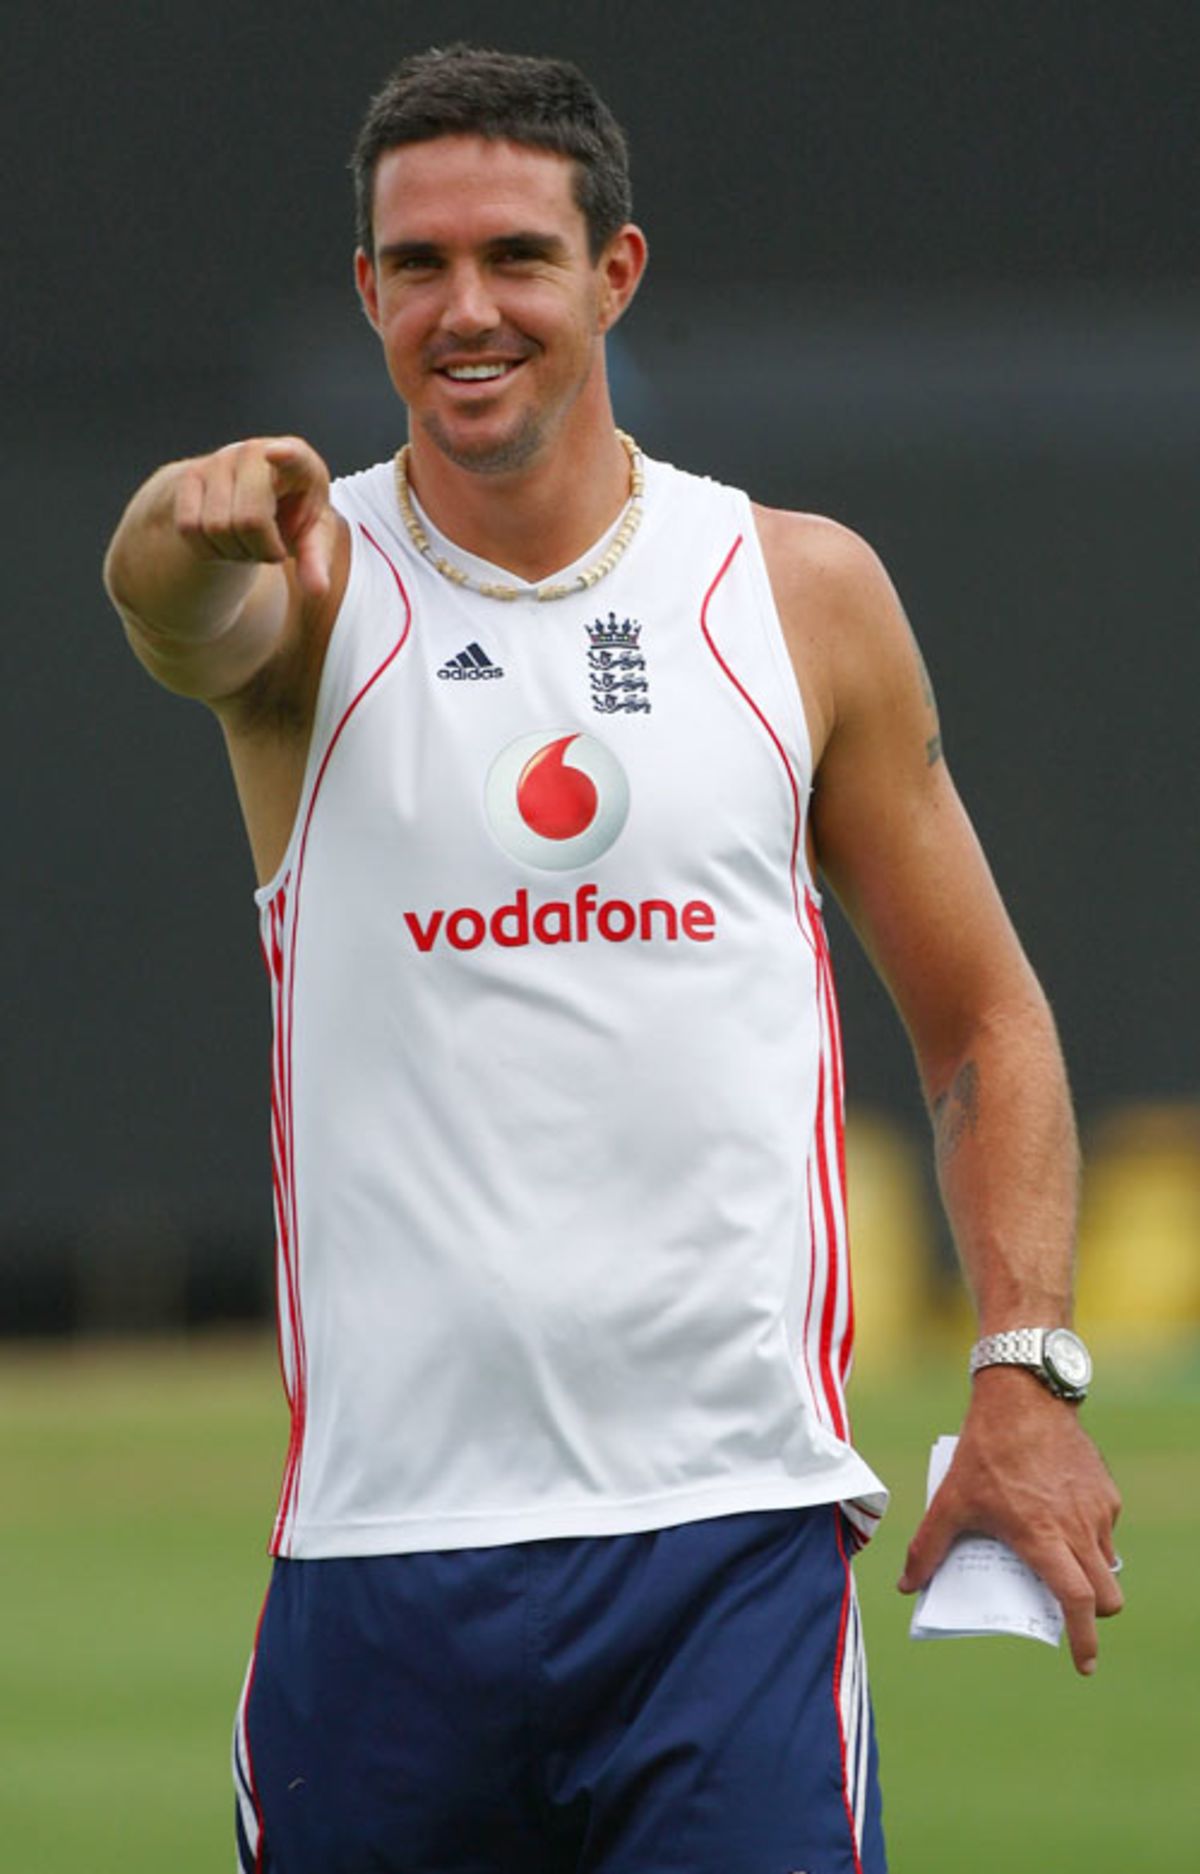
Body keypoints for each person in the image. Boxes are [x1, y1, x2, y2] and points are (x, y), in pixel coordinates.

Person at [103, 43, 1122, 1874]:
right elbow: (175, 615)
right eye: (417, 265)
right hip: (381, 1568)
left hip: (727, 1558)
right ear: (367, 293)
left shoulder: (795, 591)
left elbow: (987, 1019)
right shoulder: (310, 580)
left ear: (615, 274)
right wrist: (175, 526)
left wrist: (1023, 1373)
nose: (465, 307)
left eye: (515, 256)